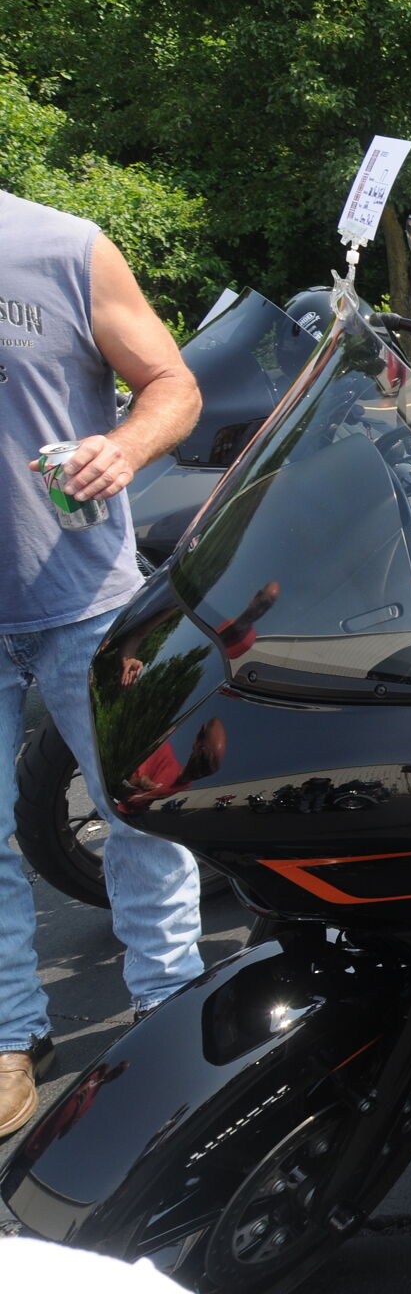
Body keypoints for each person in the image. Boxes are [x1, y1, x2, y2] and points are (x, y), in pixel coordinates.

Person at [1, 189, 206, 1140]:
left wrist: (122, 446)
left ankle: (170, 1009)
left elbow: (174, 384)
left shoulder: (64, 247)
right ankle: (10, 1034)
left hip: (82, 596)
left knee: (143, 808)